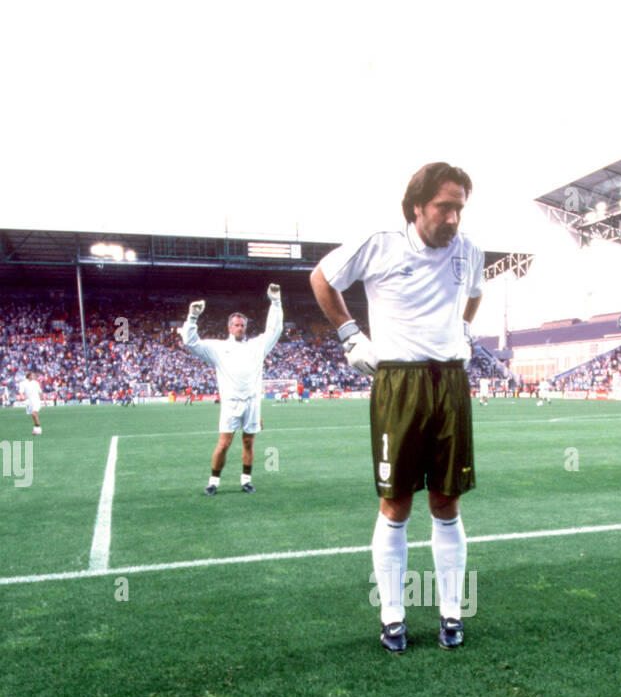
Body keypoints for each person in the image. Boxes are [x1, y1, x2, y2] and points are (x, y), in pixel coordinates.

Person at [309, 161, 484, 652]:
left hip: (450, 382)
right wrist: (349, 335)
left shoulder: (469, 250)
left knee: (446, 502)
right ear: (416, 208)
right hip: (399, 384)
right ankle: (392, 616)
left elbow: (474, 293)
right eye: (444, 207)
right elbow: (322, 278)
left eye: (460, 209)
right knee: (397, 503)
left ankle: (452, 612)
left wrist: (465, 331)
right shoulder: (381, 243)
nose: (453, 219)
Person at [178, 286, 283, 494]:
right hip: (231, 404)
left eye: (242, 325)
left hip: (252, 403)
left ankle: (246, 480)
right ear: (229, 328)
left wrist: (276, 303)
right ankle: (213, 482)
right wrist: (192, 318)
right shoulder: (217, 349)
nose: (240, 327)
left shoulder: (257, 346)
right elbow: (190, 342)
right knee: (224, 443)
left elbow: (274, 330)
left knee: (248, 442)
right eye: (236, 325)